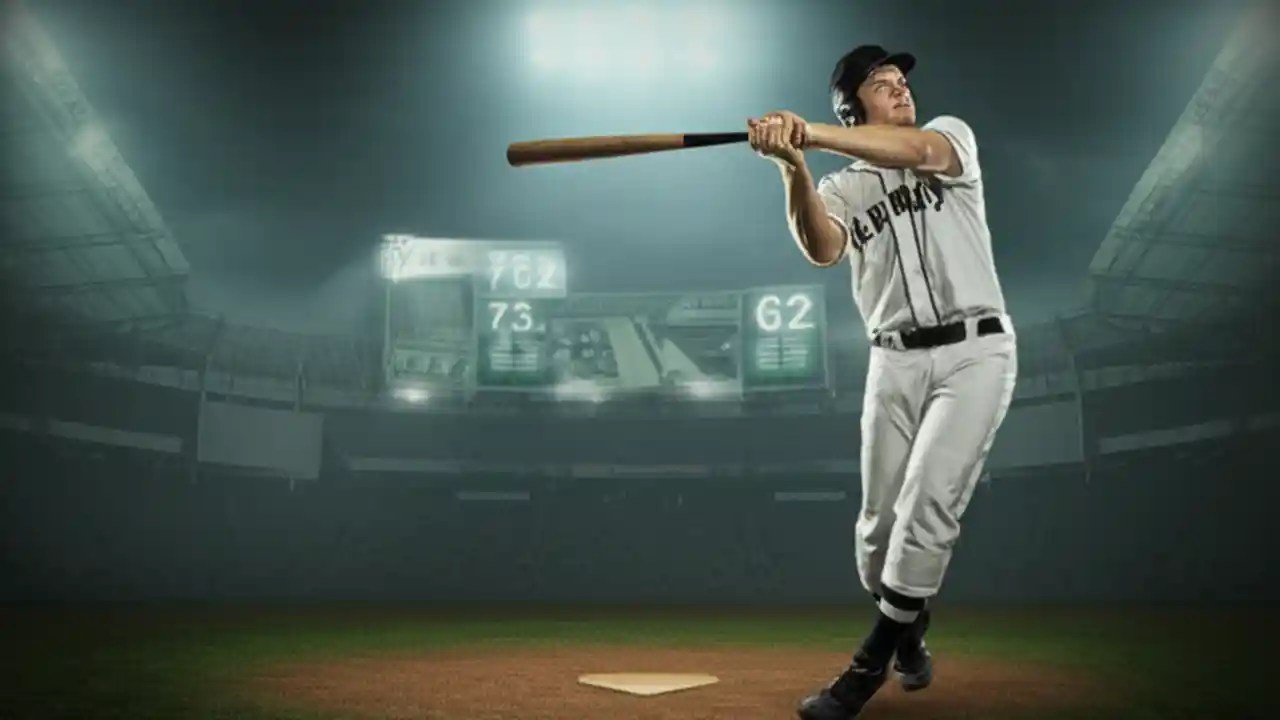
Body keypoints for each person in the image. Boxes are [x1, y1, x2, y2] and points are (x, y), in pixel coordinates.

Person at [747, 45, 1019, 720]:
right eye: (881, 83)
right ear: (851, 104)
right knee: (876, 535)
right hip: (892, 360)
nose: (900, 90)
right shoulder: (843, 188)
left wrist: (810, 130)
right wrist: (794, 165)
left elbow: (920, 154)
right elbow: (821, 247)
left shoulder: (950, 137)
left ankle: (866, 667)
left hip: (975, 352)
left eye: (902, 82)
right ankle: (909, 627)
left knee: (929, 505)